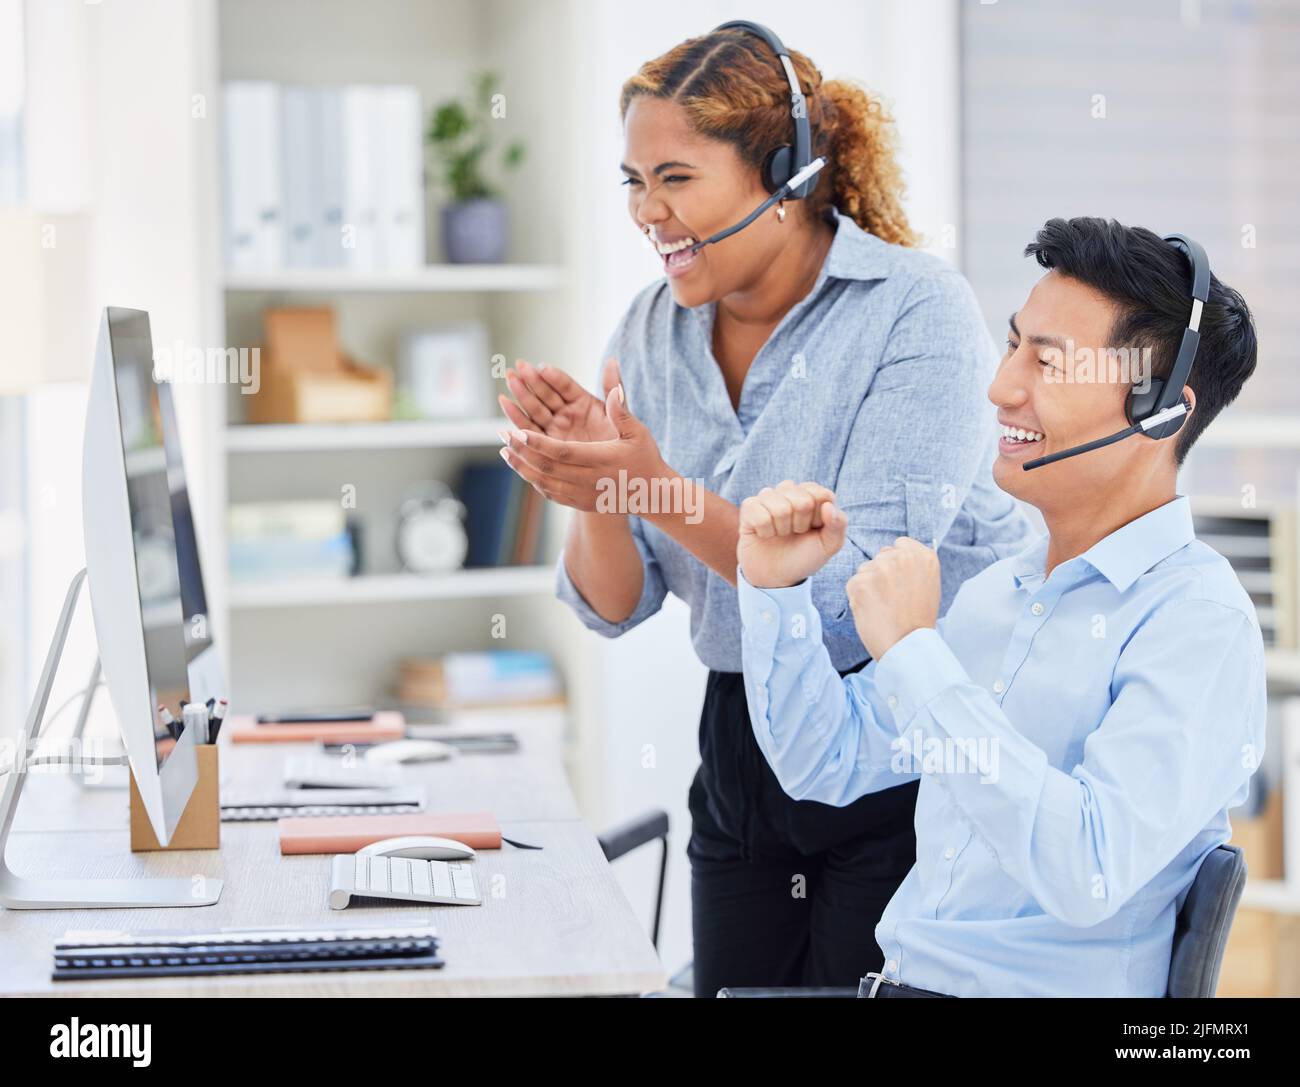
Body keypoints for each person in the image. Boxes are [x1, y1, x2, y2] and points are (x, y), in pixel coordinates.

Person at [497, 23, 1029, 996]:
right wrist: (594, 486)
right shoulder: (650, 329)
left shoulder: (916, 313)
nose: (646, 211)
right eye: (631, 180)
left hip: (893, 726)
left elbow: (854, 592)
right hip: (742, 741)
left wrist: (648, 481)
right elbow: (615, 607)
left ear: (784, 172)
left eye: (676, 178)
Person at [733, 217, 1263, 997]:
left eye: (1046, 361)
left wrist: (914, 654)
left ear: (1158, 408)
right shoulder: (996, 596)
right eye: (1013, 344)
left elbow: (1086, 865)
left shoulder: (1197, 623)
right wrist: (775, 594)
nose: (1001, 385)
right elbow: (827, 758)